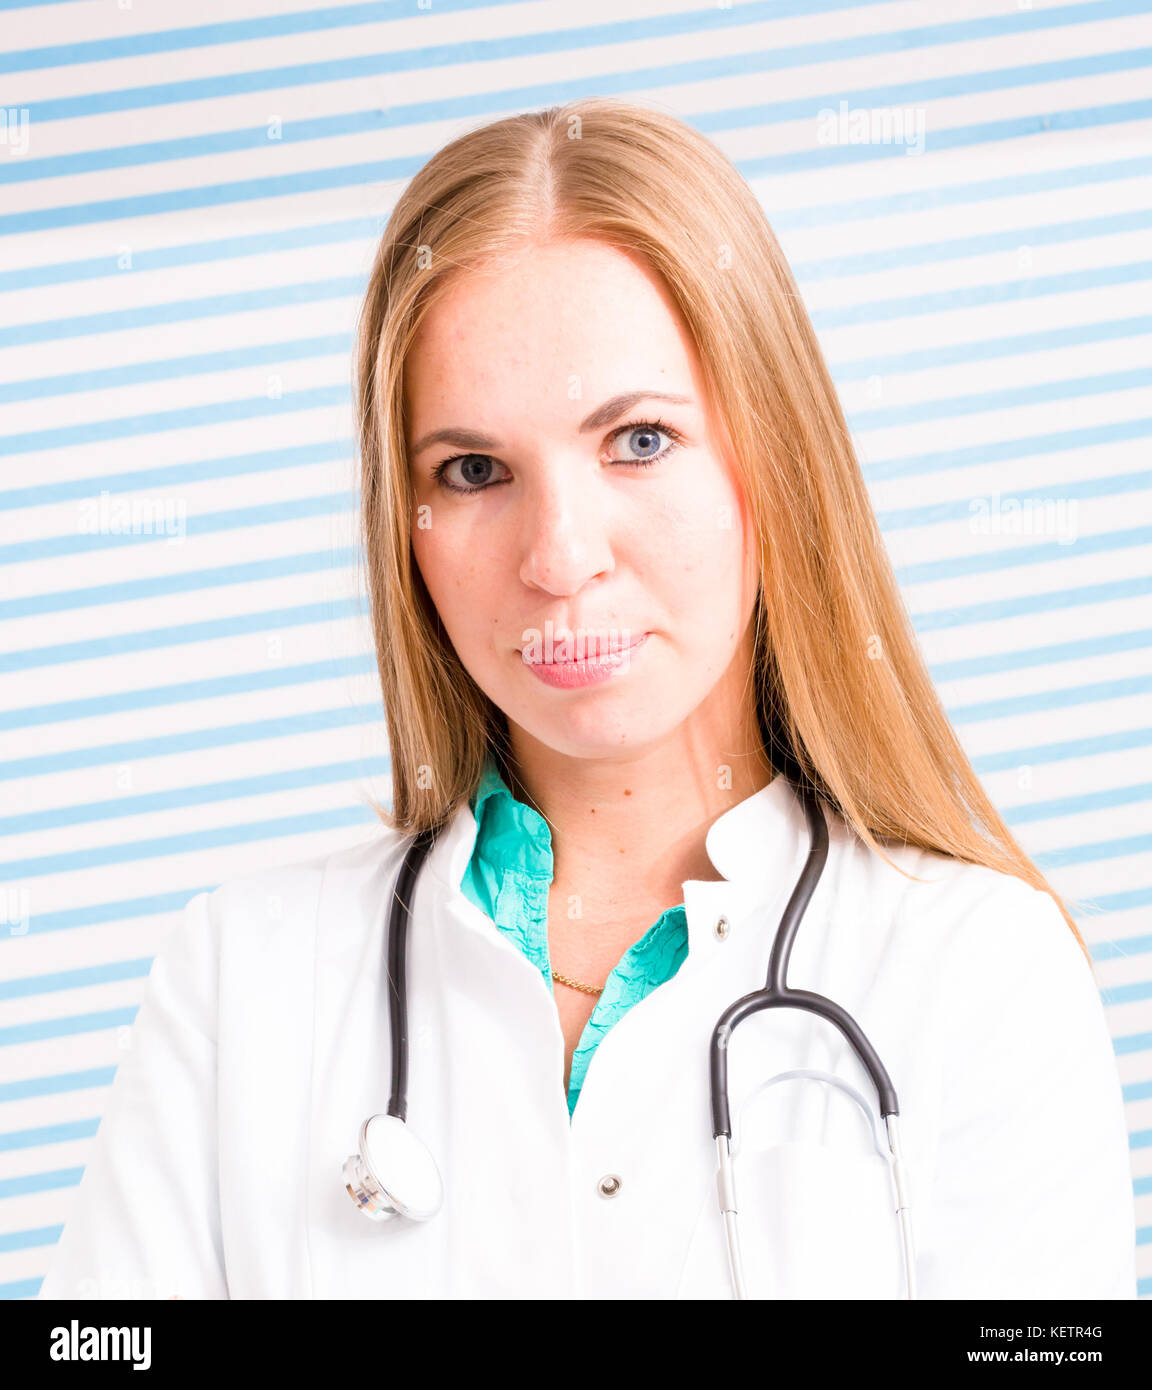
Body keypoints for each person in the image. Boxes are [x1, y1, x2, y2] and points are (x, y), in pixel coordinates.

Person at [39, 98, 1136, 1300]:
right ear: (405, 528)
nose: (558, 556)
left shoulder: (981, 973)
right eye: (473, 471)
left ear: (775, 456)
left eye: (640, 441)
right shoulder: (237, 980)